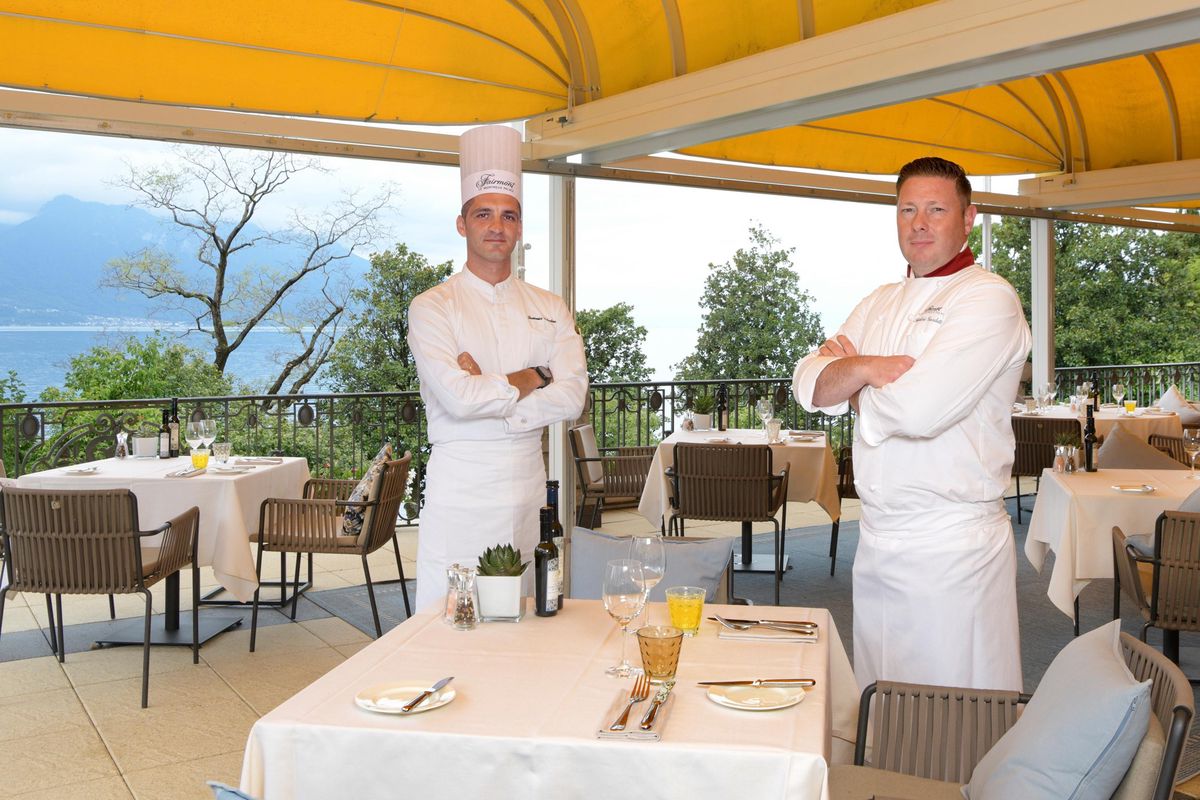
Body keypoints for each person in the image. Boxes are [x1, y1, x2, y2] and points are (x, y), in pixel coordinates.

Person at [792, 156, 1031, 692]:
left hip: (951, 545)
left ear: (968, 218)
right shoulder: (880, 300)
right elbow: (807, 382)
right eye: (907, 210)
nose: (918, 223)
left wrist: (849, 384)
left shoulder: (988, 298)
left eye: (936, 209)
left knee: (952, 716)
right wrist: (869, 370)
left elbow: (917, 413)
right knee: (883, 704)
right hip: (877, 540)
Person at [407, 125, 588, 612]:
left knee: (525, 616)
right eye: (483, 214)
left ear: (520, 226)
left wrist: (492, 392)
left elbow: (573, 396)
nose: (497, 226)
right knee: (450, 616)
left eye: (508, 216)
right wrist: (533, 377)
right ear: (462, 224)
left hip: (526, 486)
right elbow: (457, 399)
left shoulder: (550, 306)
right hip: (459, 488)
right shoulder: (432, 306)